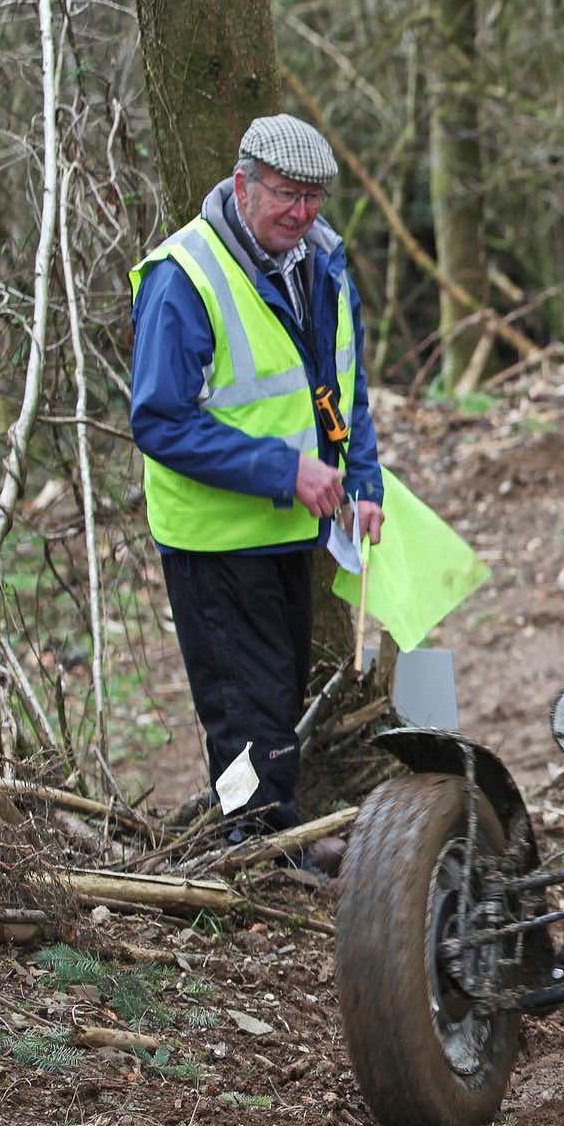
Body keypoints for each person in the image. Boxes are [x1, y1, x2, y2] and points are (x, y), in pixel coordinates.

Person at [128, 114, 384, 835]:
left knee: (276, 702)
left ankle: (275, 844)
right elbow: (159, 421)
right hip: (213, 544)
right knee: (246, 713)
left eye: (314, 197)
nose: (300, 213)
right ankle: (253, 852)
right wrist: (283, 470)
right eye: (285, 195)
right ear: (243, 184)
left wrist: (362, 484)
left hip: (288, 531)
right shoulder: (183, 278)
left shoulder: (323, 262)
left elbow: (344, 390)